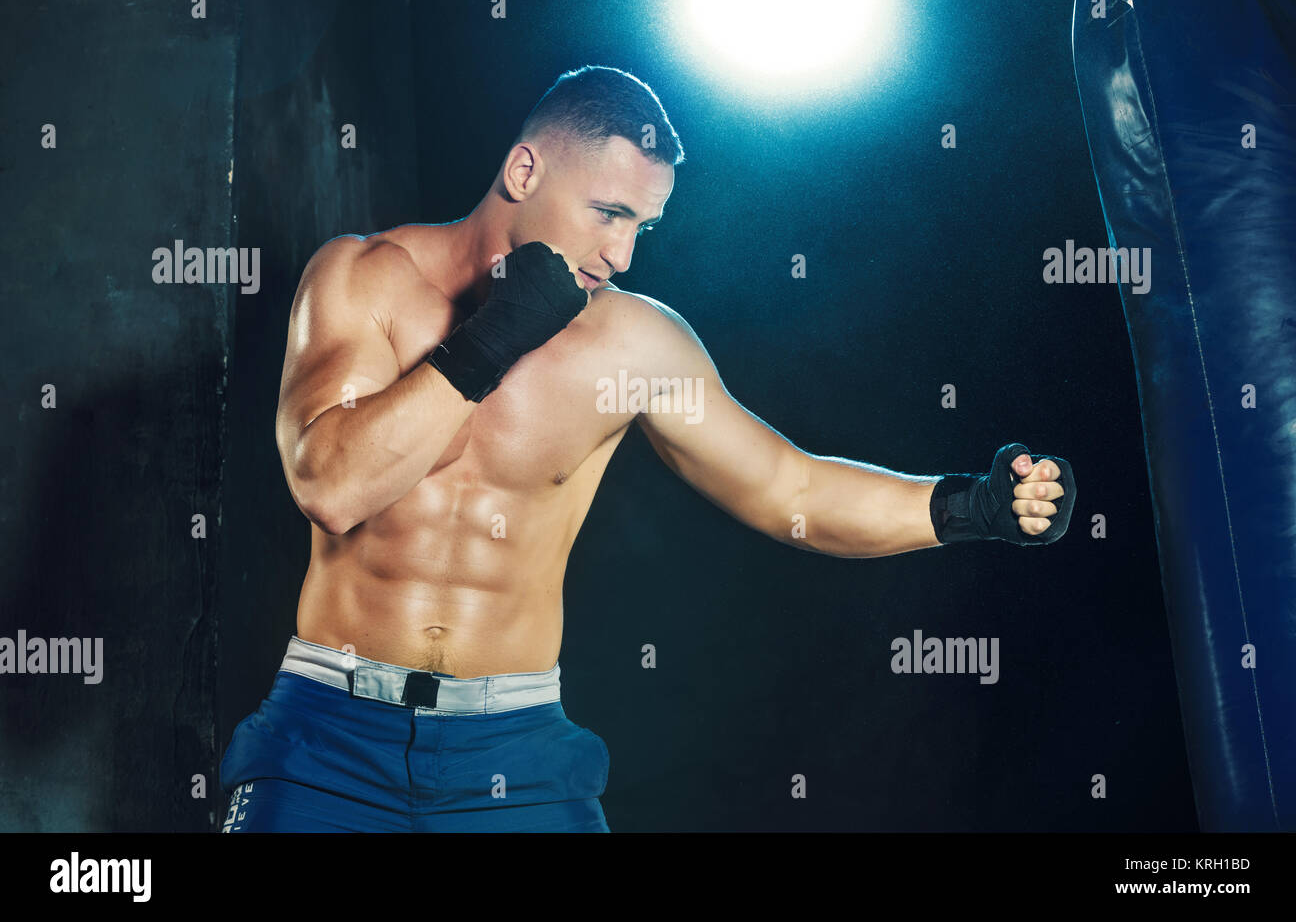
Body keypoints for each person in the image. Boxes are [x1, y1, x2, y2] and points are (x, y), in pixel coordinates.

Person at [219, 64, 1077, 833]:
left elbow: (790, 489)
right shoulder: (365, 280)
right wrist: (494, 339)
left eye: (644, 229)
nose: (620, 254)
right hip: (326, 738)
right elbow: (331, 486)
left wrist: (966, 505)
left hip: (515, 760)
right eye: (609, 213)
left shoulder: (634, 346)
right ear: (524, 171)